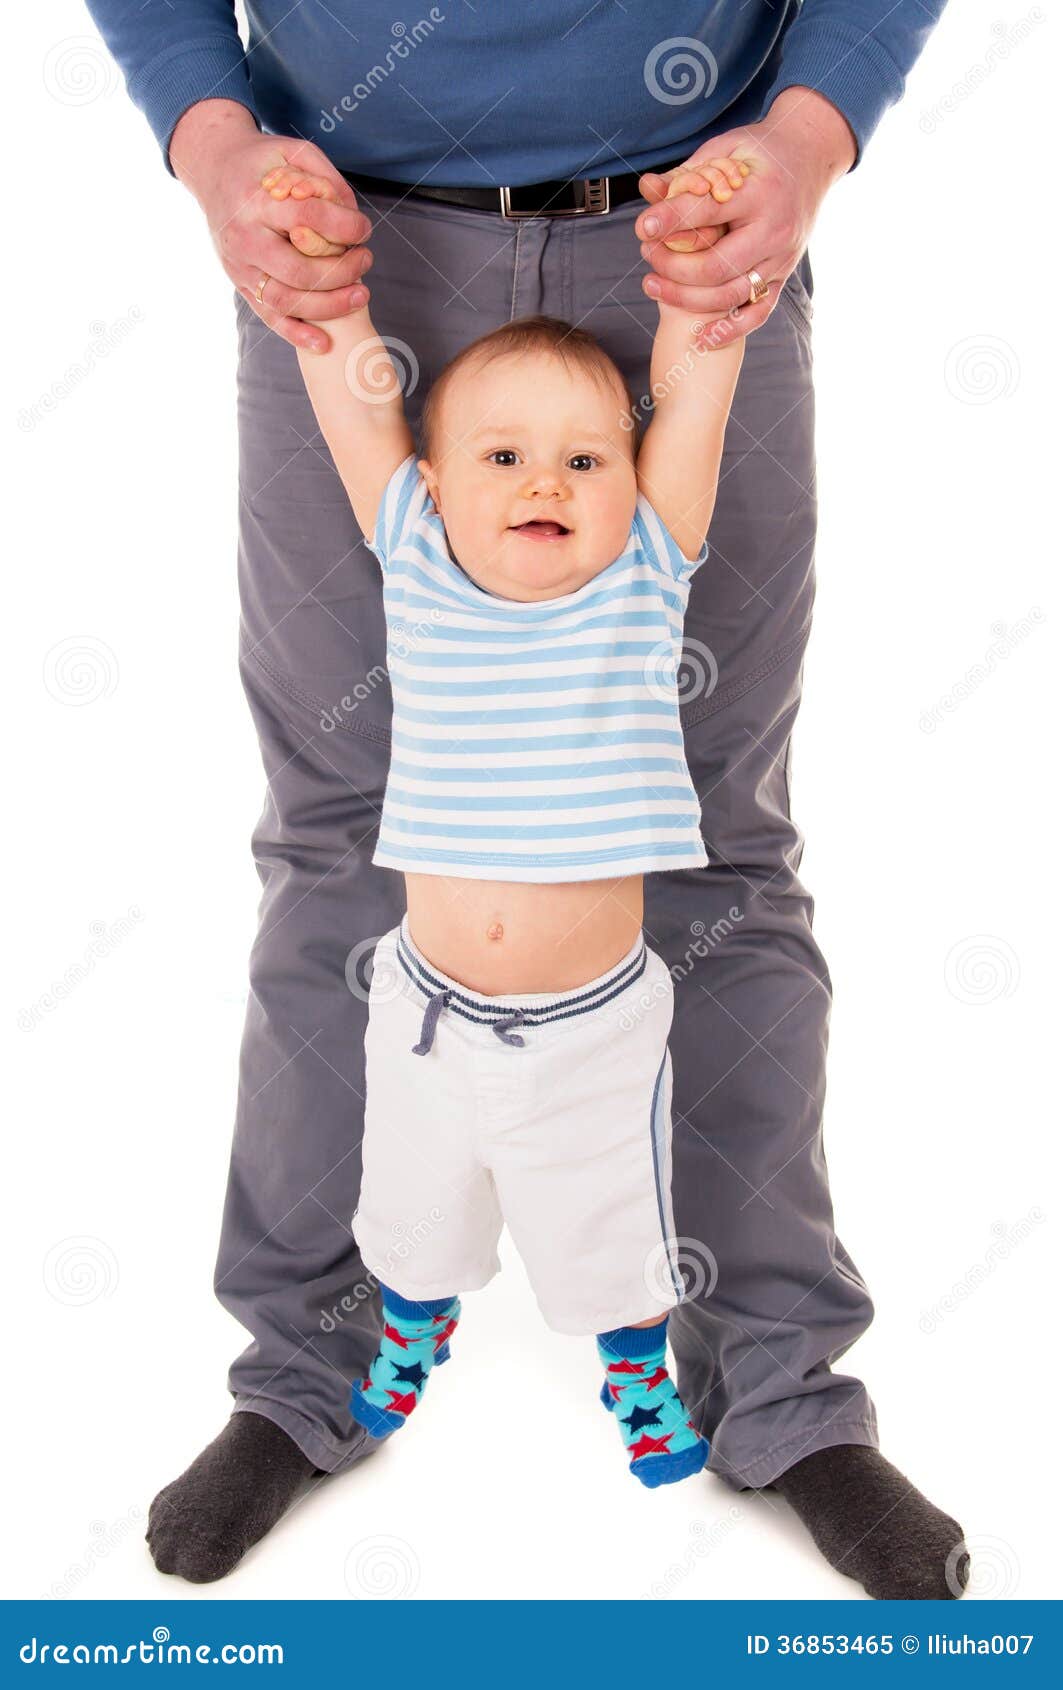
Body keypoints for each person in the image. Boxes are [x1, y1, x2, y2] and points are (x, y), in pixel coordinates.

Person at [86, 1, 968, 1596]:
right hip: (342, 235)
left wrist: (811, 131)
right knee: (339, 839)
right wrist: (211, 137)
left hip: (689, 228)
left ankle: (777, 1387)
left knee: (721, 846)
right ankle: (308, 1365)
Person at [264, 151, 749, 1488]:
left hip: (591, 1022)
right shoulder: (417, 554)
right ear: (435, 479)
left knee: (611, 1226)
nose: (545, 482)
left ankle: (639, 1373)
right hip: (423, 1004)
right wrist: (317, 275)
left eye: (584, 458)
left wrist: (708, 284)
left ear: (628, 479)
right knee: (410, 1204)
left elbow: (695, 393)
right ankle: (412, 1327)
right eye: (505, 456)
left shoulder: (644, 565)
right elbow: (349, 392)